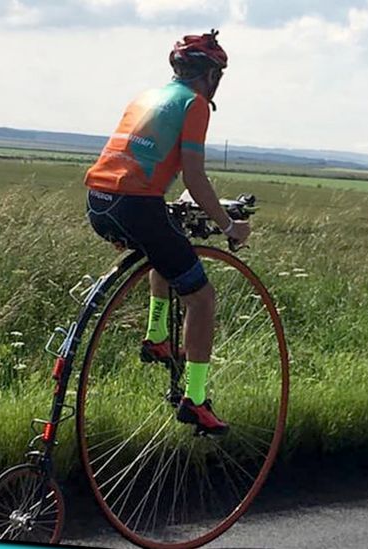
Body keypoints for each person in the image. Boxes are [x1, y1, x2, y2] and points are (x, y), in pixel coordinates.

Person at [84, 30, 249, 435]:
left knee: (165, 243)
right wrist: (230, 226)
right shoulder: (195, 105)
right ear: (211, 76)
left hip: (99, 203)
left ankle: (158, 336)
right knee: (202, 299)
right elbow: (193, 176)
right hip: (136, 207)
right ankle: (196, 400)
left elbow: (139, 162)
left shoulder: (146, 97)